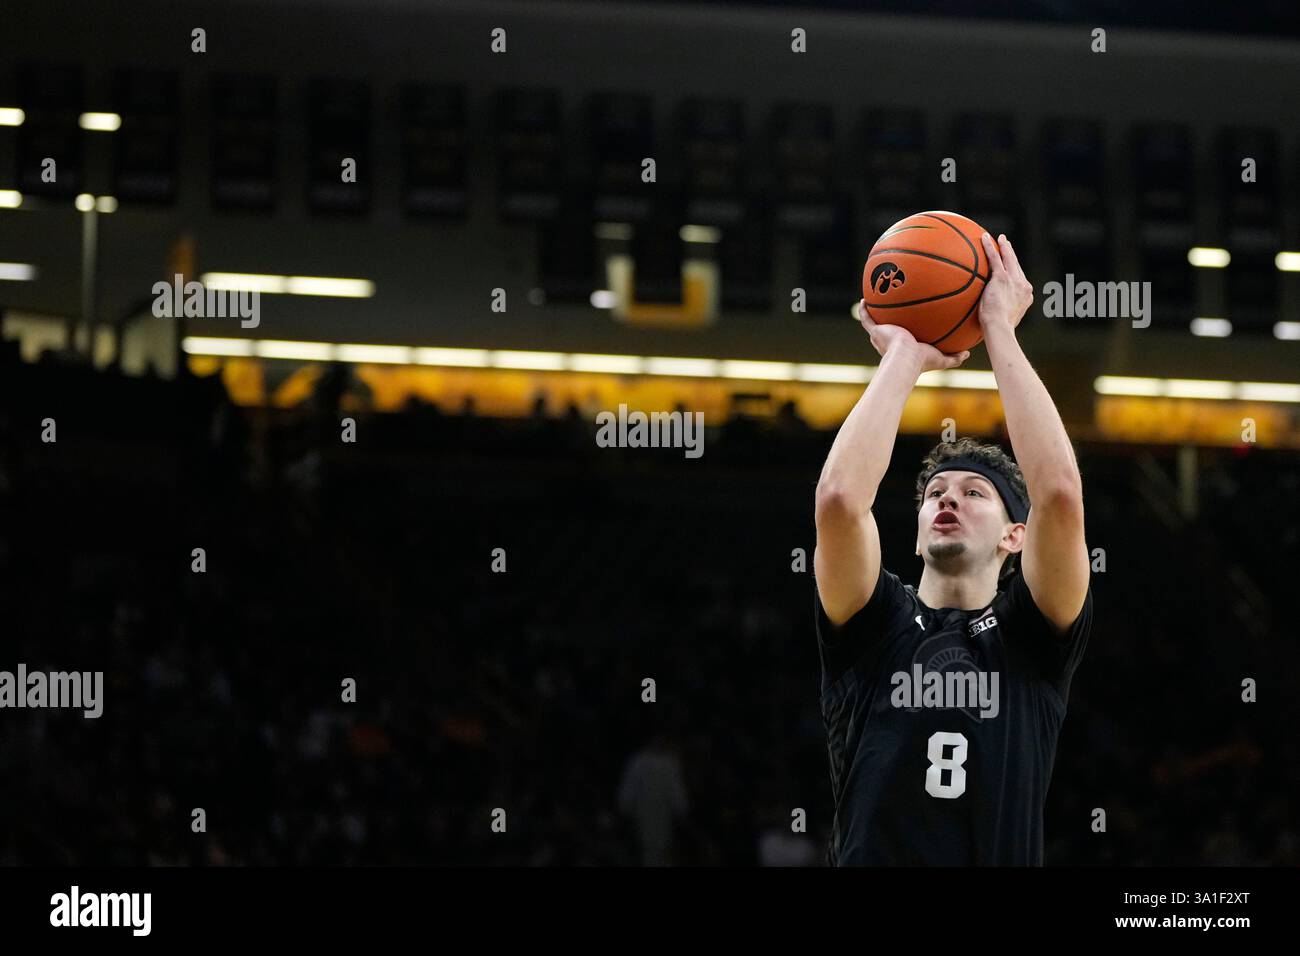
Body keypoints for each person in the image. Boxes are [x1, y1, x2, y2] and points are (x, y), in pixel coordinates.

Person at [813, 233, 1093, 865]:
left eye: (975, 493)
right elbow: (837, 502)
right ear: (914, 529)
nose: (948, 500)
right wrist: (904, 358)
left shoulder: (1031, 634)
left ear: (1014, 537)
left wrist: (998, 329)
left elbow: (1060, 496)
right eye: (935, 492)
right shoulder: (875, 623)